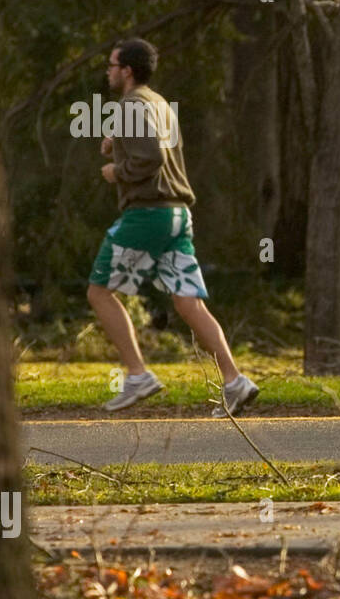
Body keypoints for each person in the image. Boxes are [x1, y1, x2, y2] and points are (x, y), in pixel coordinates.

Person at [87, 37, 260, 416]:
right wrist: (116, 142)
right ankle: (235, 382)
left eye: (112, 65)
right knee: (187, 302)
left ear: (127, 70)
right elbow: (152, 144)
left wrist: (117, 170)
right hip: (178, 215)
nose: (108, 71)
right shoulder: (157, 102)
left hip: (148, 213)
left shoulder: (131, 104)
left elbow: (151, 156)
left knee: (99, 292)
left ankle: (137, 375)